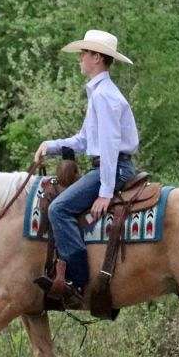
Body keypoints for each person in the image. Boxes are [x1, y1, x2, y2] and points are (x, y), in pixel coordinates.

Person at [34, 29, 139, 306]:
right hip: (111, 165)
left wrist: (105, 191)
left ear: (96, 57)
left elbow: (108, 146)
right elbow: (84, 140)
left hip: (112, 168)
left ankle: (77, 281)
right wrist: (51, 144)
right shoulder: (99, 93)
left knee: (59, 208)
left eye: (84, 53)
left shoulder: (104, 96)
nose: (80, 57)